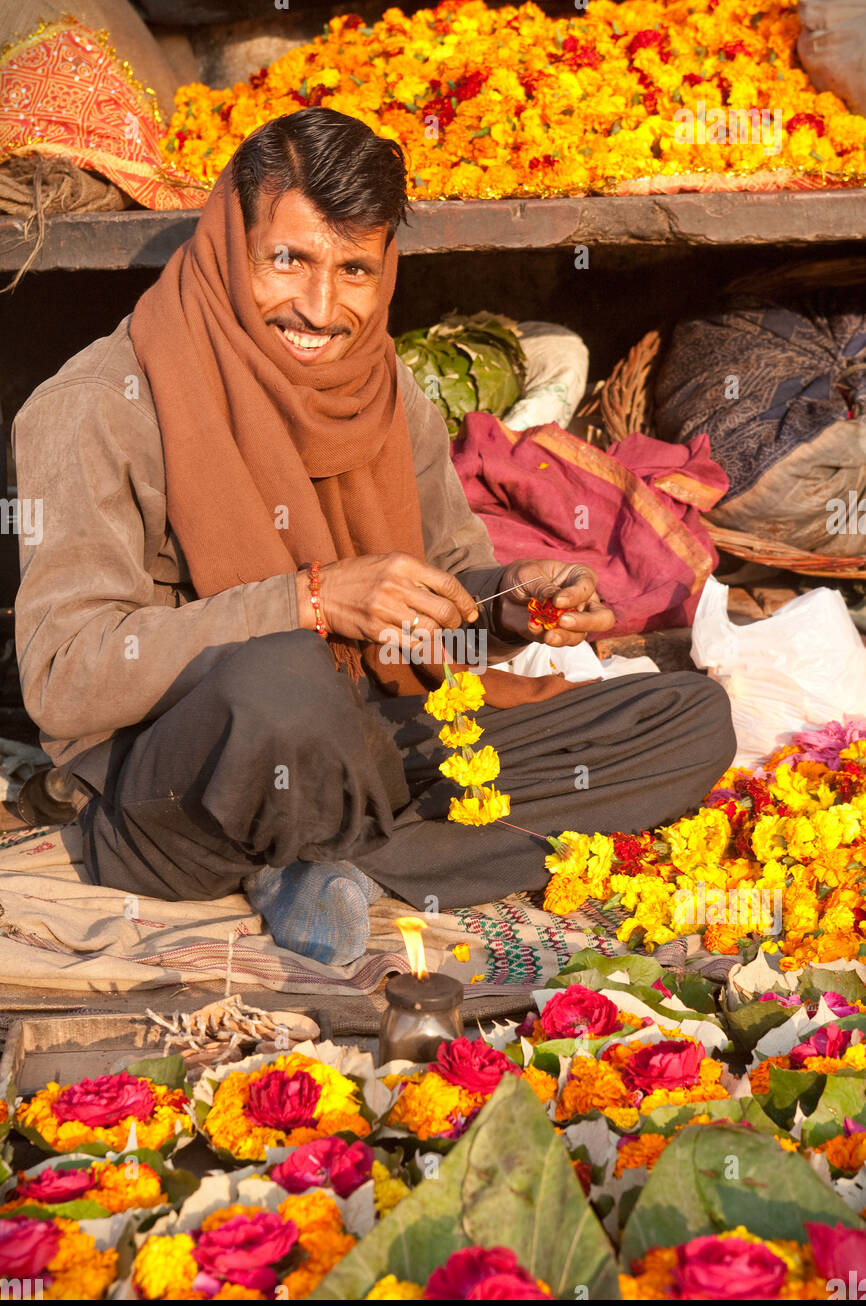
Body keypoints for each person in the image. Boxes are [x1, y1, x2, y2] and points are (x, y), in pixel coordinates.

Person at [13, 109, 736, 965]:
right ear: (227, 246)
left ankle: (326, 861)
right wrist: (310, 600)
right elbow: (64, 678)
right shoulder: (98, 402)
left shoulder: (380, 384)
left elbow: (447, 593)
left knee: (688, 718)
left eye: (354, 269)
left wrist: (514, 607)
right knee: (281, 675)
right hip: (190, 778)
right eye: (290, 261)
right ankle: (354, 852)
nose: (321, 308)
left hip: (370, 740)